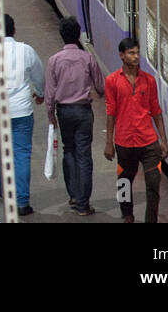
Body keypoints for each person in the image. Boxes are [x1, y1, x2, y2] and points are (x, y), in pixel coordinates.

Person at [0, 14, 44, 216]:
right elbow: (39, 75)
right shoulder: (26, 50)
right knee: (21, 155)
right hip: (22, 111)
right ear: (14, 30)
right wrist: (40, 93)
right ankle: (22, 202)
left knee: (1, 153)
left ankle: (3, 189)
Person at [104, 35, 168, 223]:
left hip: (149, 143)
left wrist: (163, 141)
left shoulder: (149, 81)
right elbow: (111, 113)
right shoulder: (112, 81)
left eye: (138, 53)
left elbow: (156, 112)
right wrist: (109, 143)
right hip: (124, 143)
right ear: (121, 55)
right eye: (131, 53)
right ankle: (127, 215)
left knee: (153, 185)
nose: (136, 57)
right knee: (124, 183)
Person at [47, 16, 104, 217]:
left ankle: (73, 195)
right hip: (83, 111)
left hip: (64, 111)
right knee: (84, 155)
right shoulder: (88, 58)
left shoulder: (54, 60)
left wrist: (50, 114)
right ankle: (83, 204)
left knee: (68, 150)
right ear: (78, 34)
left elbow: (50, 92)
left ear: (62, 35)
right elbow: (100, 85)